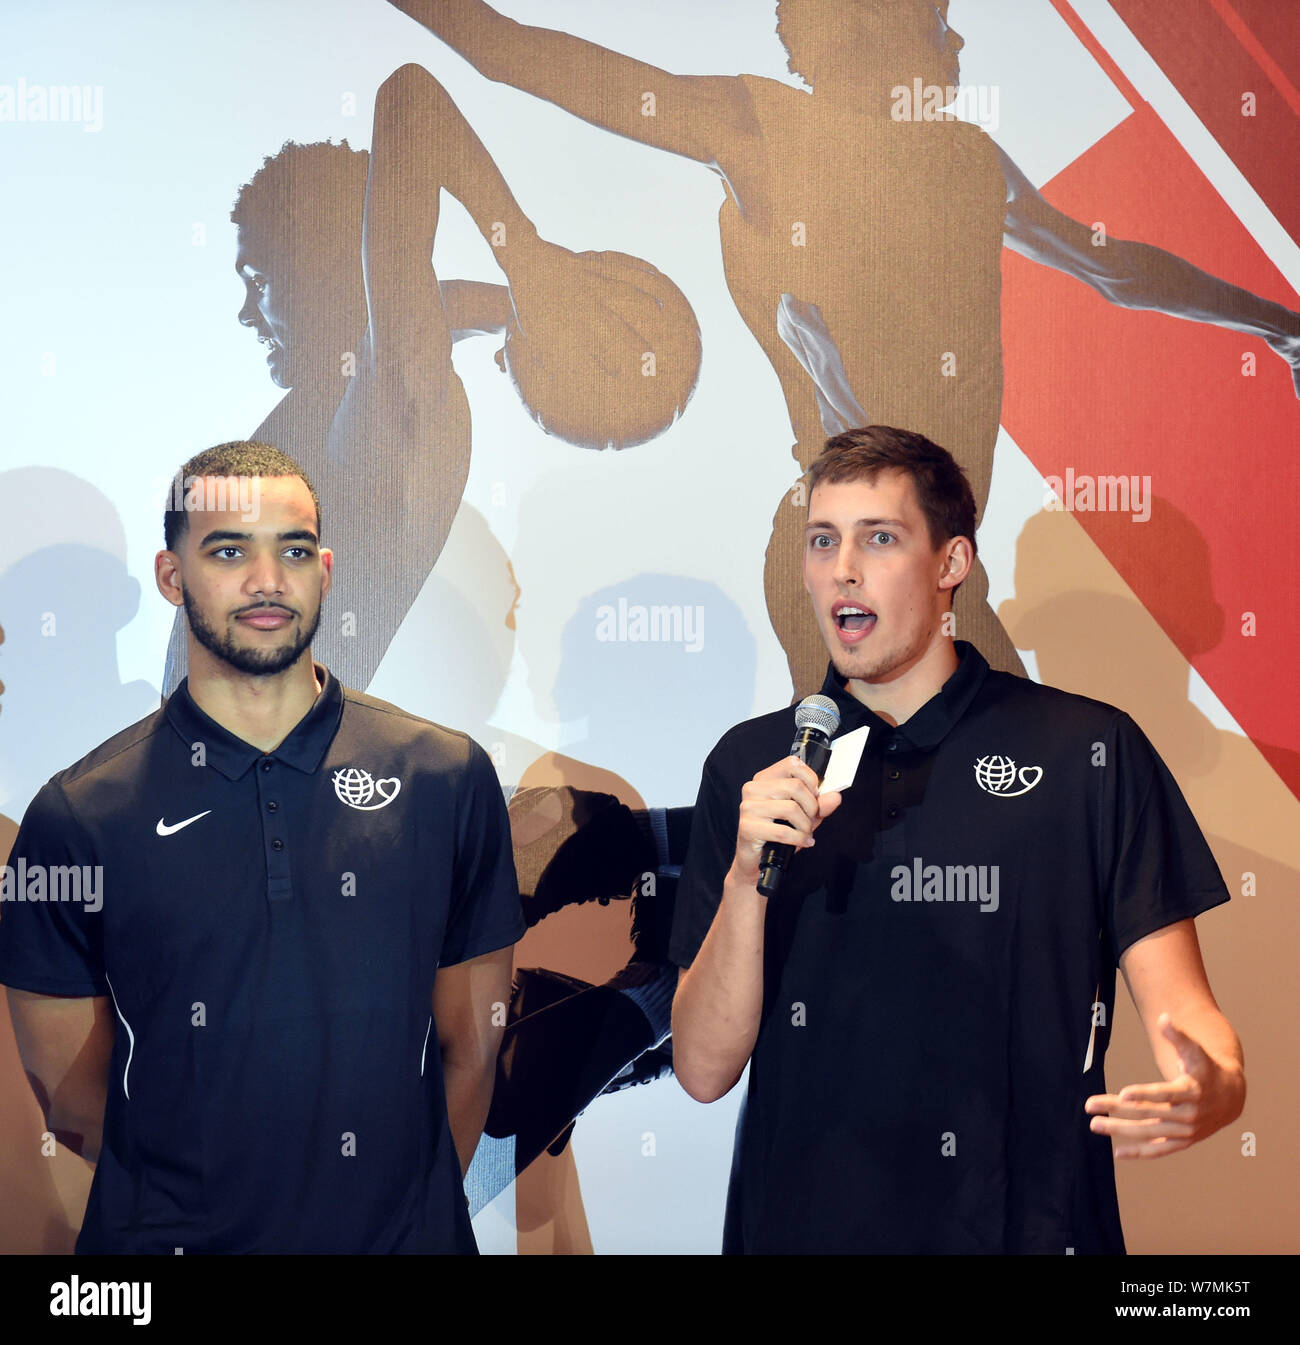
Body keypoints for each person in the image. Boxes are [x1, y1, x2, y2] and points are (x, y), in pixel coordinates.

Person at [388, 0, 1300, 695]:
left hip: (921, 559)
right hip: (860, 551)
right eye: (940, 18)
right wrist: (1282, 328)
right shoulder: (769, 132)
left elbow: (1119, 271)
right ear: (873, 25)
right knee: (907, 840)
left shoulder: (962, 160)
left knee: (998, 843)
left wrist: (1284, 328)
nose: (959, 43)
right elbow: (499, 45)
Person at [668, 425, 1246, 1253]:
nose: (844, 568)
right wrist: (742, 880)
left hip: (1028, 1227)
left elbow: (1192, 1020)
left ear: (951, 565)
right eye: (824, 540)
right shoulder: (752, 768)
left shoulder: (1085, 750)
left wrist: (1213, 1086)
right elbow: (702, 1068)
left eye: (880, 538)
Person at [0, 440, 524, 1253]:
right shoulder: (77, 814)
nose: (267, 580)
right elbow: (73, 1102)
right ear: (172, 577)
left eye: (293, 549)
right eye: (229, 551)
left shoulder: (442, 776)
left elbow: (472, 1050)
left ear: (325, 567)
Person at [162, 62, 700, 696]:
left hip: (256, 779)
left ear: (322, 267)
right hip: (206, 773)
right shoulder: (355, 387)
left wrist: (527, 260)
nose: (247, 310)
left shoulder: (400, 391)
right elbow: (430, 307)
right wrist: (523, 303)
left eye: (259, 280)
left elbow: (410, 99)